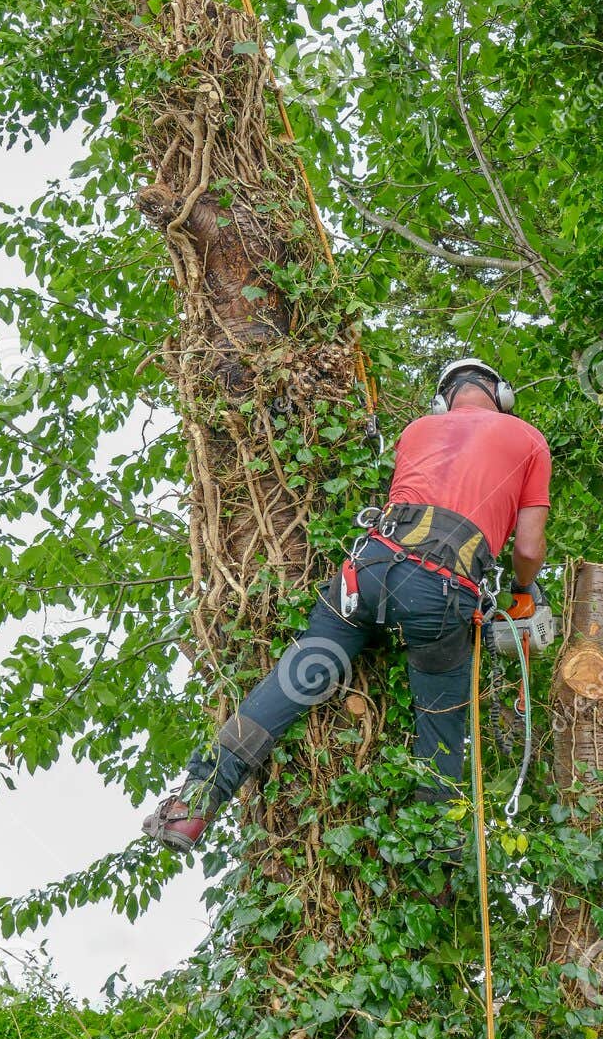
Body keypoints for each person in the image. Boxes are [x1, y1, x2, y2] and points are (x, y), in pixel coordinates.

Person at [143, 358, 551, 854]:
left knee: (294, 680)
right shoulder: (527, 439)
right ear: (501, 394)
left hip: (368, 572)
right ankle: (435, 858)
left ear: (443, 399)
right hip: (441, 594)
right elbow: (528, 549)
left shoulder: (418, 430)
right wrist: (525, 593)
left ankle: (194, 804)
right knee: (441, 721)